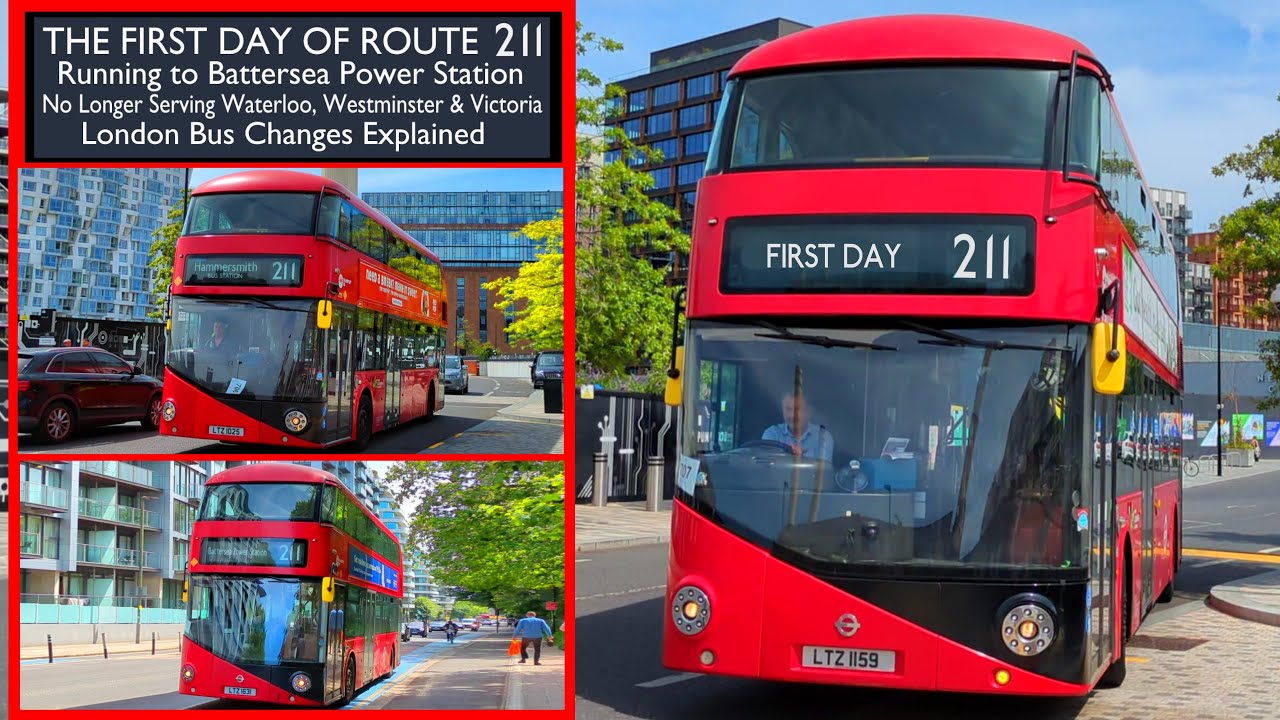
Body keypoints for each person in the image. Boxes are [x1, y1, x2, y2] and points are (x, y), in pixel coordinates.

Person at [761, 391, 834, 462]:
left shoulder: (823, 437)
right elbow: (767, 470)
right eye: (788, 409)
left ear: (809, 411)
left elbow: (824, 472)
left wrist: (801, 459)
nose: (792, 415)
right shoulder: (772, 434)